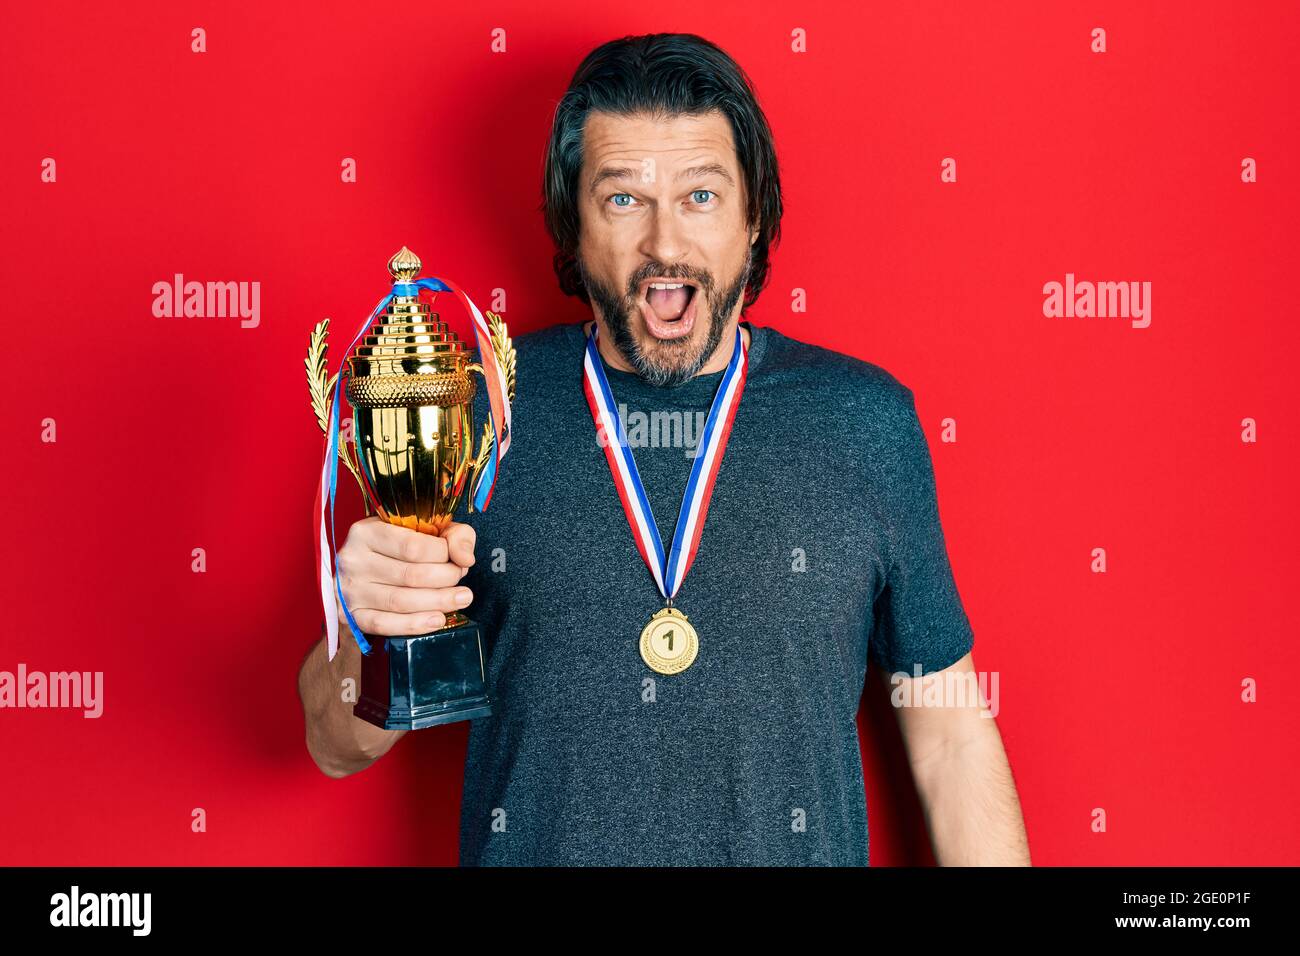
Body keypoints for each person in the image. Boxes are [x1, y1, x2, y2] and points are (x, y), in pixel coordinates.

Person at [297, 32, 1030, 866]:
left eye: (702, 196)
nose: (665, 245)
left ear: (755, 218)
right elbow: (334, 744)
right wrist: (364, 628)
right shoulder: (474, 407)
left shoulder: (865, 423)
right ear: (572, 225)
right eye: (622, 200)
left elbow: (949, 742)